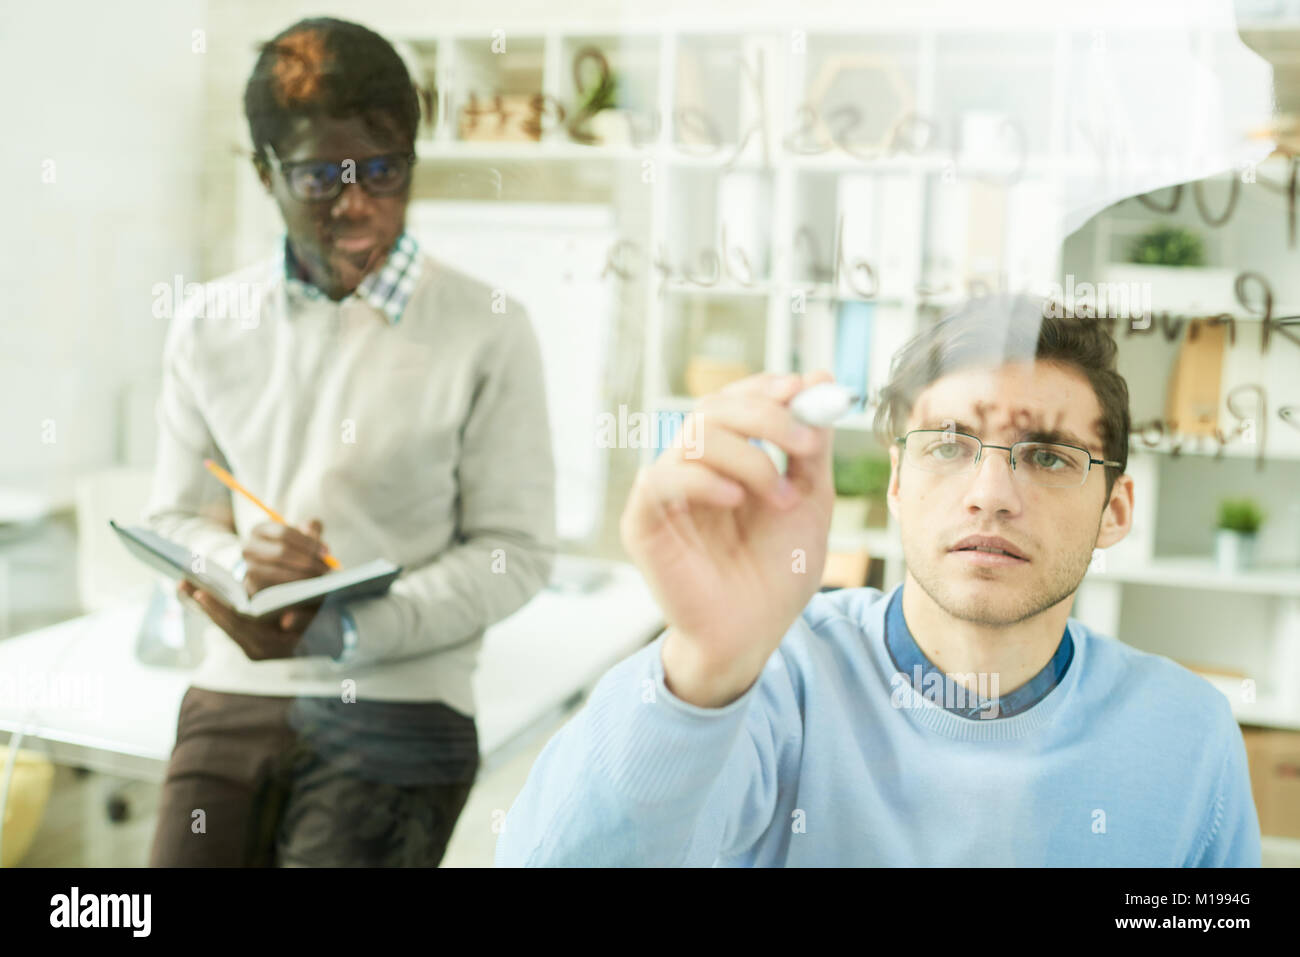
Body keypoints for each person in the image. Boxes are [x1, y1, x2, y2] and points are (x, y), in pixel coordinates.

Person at [495, 294, 1260, 866]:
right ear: (896, 480)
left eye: (1049, 455)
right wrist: (702, 661)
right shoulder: (768, 681)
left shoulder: (1187, 733)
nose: (990, 493)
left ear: (1114, 509)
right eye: (950, 444)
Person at [145, 17, 555, 866]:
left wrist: (346, 632)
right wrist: (242, 574)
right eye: (319, 179)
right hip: (236, 687)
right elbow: (175, 518)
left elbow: (514, 553)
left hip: (405, 700)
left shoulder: (489, 330)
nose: (358, 203)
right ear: (264, 174)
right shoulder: (208, 325)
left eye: (383, 170)